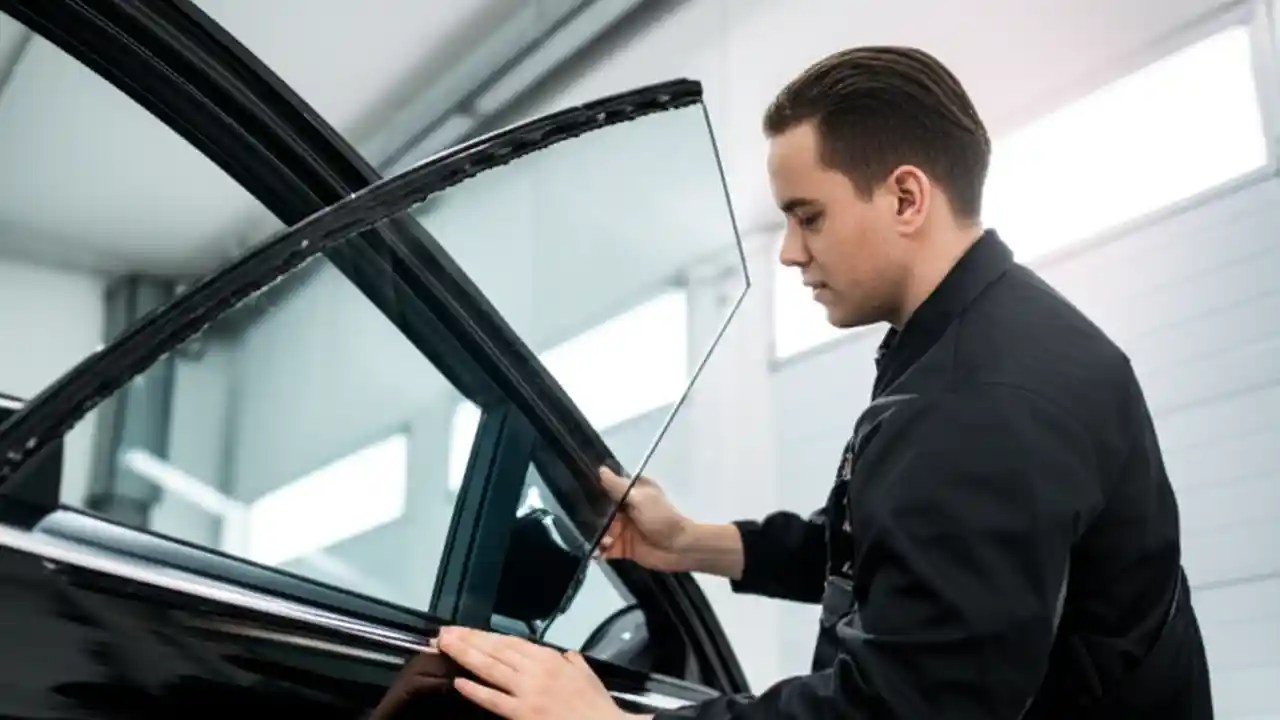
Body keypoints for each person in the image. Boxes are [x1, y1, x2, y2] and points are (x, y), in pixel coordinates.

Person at [436, 45, 1214, 719]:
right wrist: (692, 543)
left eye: (808, 216)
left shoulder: (984, 399)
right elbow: (894, 557)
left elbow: (910, 708)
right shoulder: (972, 341)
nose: (789, 253)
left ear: (906, 197)